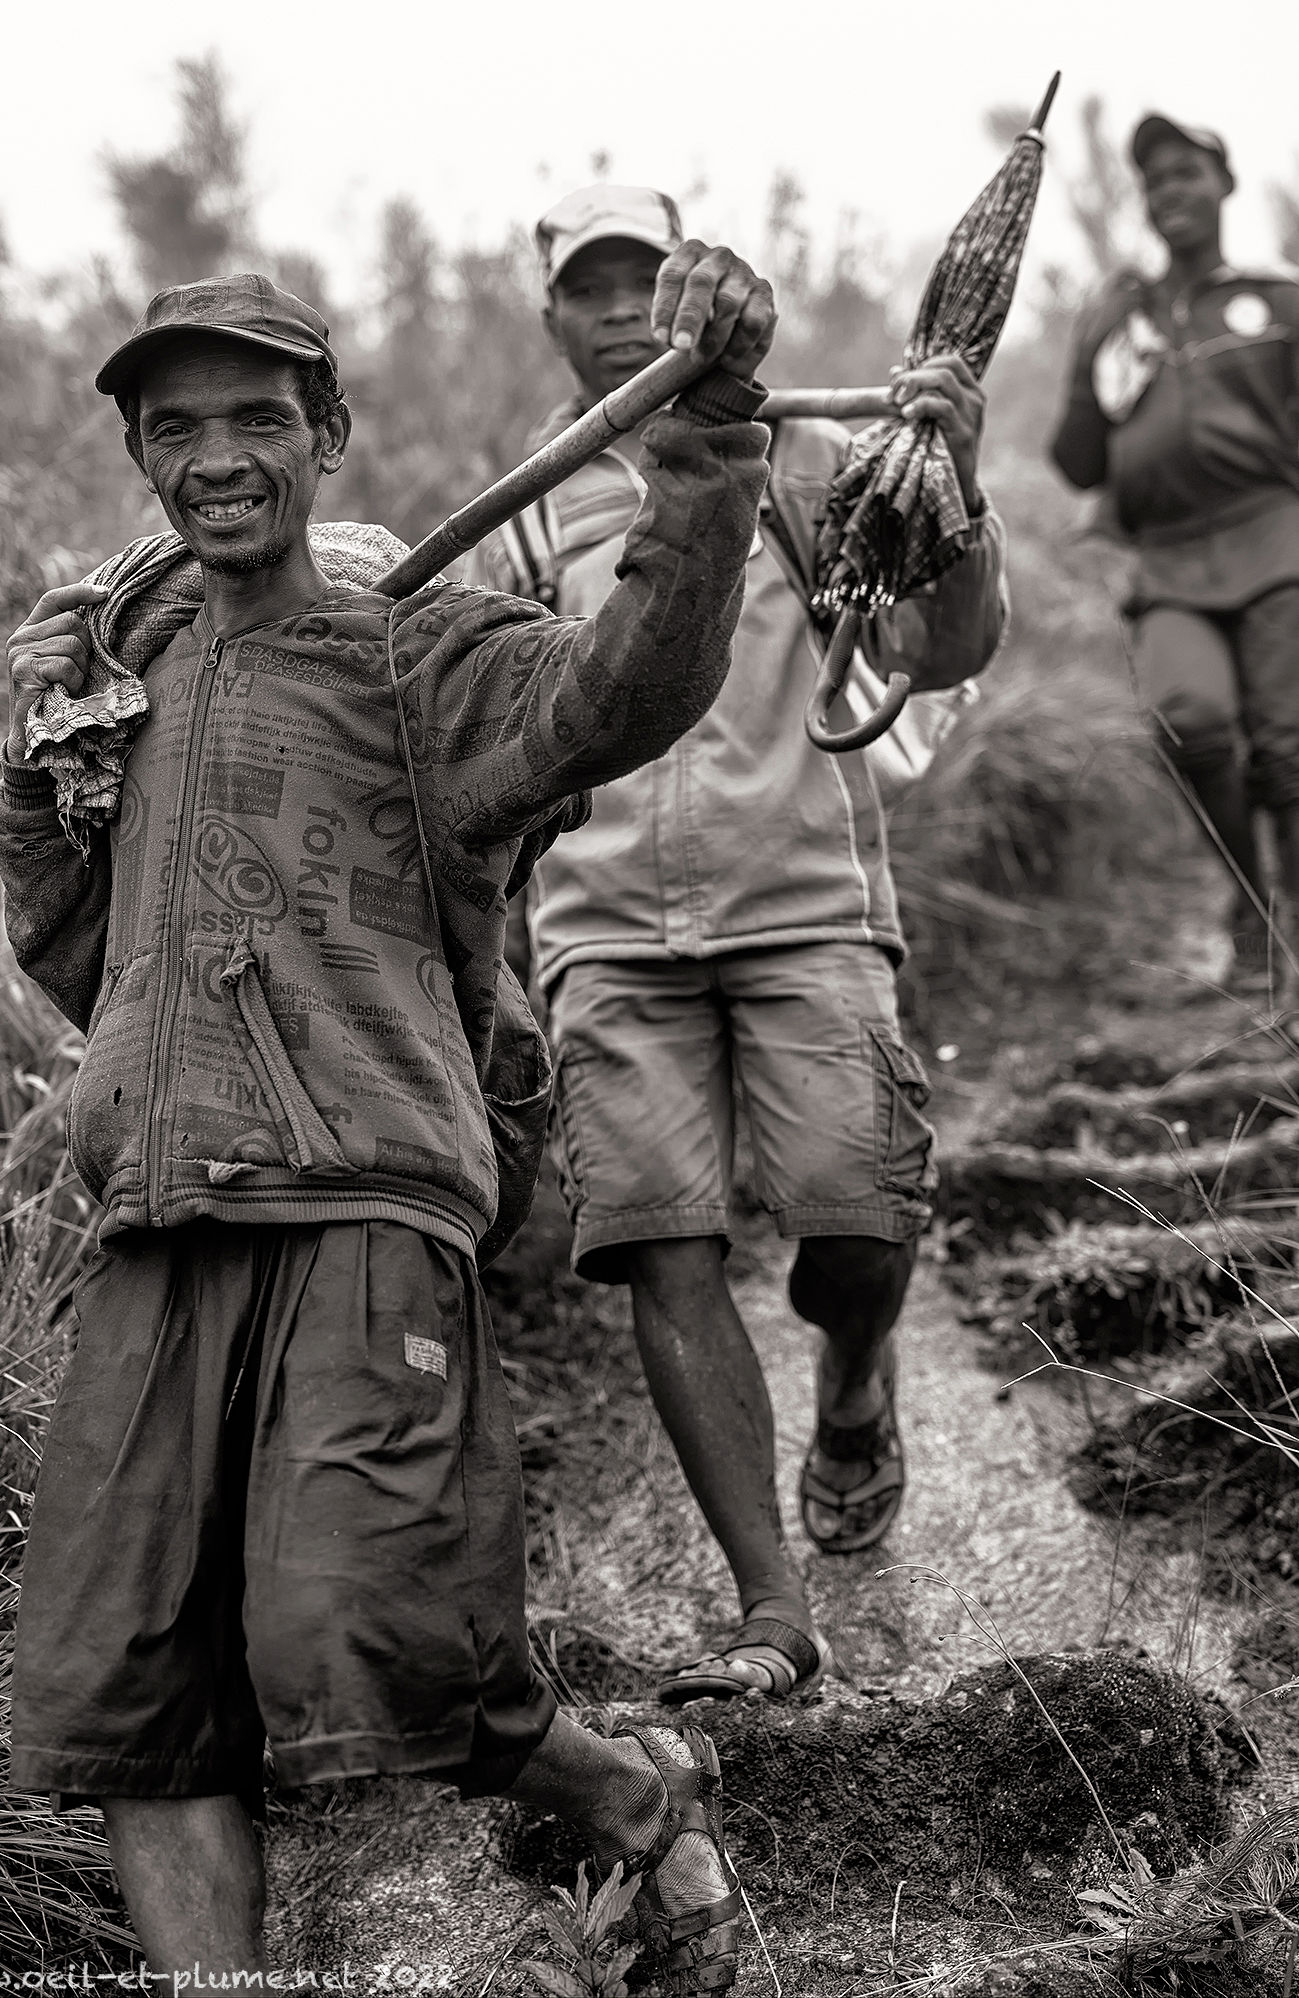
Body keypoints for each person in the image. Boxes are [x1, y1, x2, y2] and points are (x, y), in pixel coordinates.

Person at [0, 257, 779, 1989]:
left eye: (257, 418)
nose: (216, 456)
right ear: (139, 452)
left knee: (375, 1640)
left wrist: (707, 440)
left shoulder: (414, 642)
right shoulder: (136, 669)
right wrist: (39, 765)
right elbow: (76, 953)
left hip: (360, 1195)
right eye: (174, 426)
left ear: (325, 435)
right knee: (136, 1695)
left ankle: (629, 1793)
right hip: (157, 1218)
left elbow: (621, 692)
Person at [469, 186, 1007, 1705]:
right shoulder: (529, 506)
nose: (620, 305)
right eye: (589, 285)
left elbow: (942, 648)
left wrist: (951, 468)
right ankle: (770, 1603)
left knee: (854, 1221)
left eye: (647, 275)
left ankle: (850, 1377)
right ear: (551, 313)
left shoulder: (810, 455)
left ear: (693, 293)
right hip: (603, 931)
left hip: (803, 901)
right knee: (658, 1241)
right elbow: (493, 731)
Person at [1050, 115, 1299, 999]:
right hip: (1166, 564)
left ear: (1224, 185)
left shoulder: (1276, 303)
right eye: (1153, 182)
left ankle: (1287, 935)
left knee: (1285, 746)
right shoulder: (1124, 318)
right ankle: (1251, 912)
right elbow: (1077, 462)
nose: (1169, 194)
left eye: (1187, 174)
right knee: (1186, 721)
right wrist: (1087, 348)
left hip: (1276, 542)